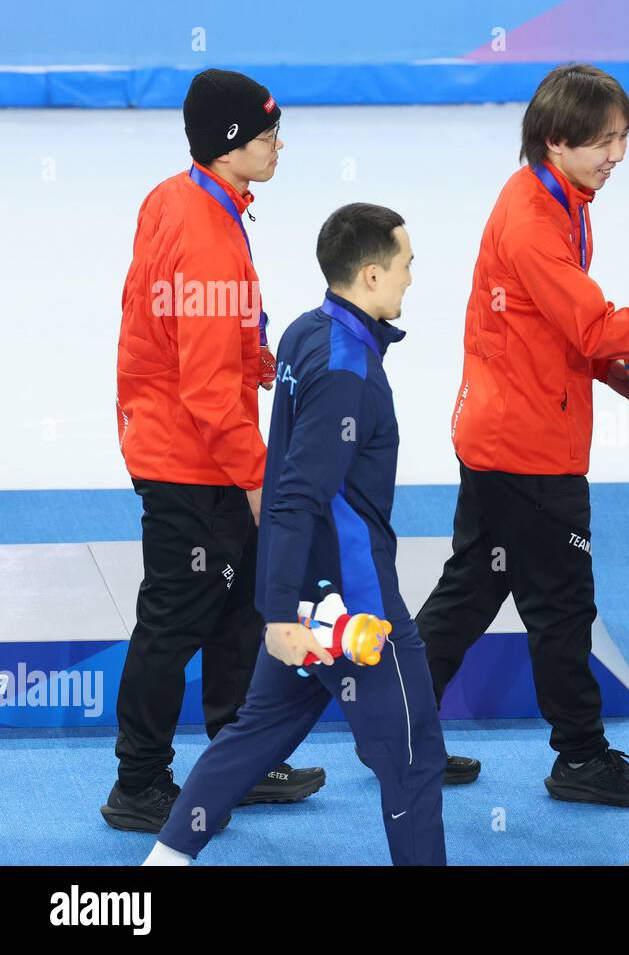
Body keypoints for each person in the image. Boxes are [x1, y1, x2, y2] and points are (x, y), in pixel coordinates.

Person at [414, 63, 629, 805]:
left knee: (473, 588)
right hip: (528, 450)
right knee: (561, 603)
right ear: (558, 140)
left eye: (623, 138)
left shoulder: (558, 199)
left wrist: (621, 376)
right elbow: (591, 322)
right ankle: (580, 757)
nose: (618, 155)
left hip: (501, 430)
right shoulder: (535, 221)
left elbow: (561, 331)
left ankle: (397, 732)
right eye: (605, 142)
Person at [140, 203, 448, 866]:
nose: (411, 278)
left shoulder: (310, 333)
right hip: (356, 606)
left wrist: (288, 603)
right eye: (406, 265)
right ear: (370, 275)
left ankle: (159, 868)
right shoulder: (347, 370)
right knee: (415, 757)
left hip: (311, 598)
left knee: (252, 737)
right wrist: (278, 615)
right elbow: (297, 495)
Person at [105, 68, 323, 832]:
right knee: (175, 620)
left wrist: (255, 359)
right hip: (187, 456)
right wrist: (259, 479)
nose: (279, 145)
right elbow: (201, 388)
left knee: (235, 607)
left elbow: (177, 325)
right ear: (229, 145)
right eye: (268, 135)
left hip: (181, 438)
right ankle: (139, 783)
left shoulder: (183, 197)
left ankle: (238, 758)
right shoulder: (206, 235)